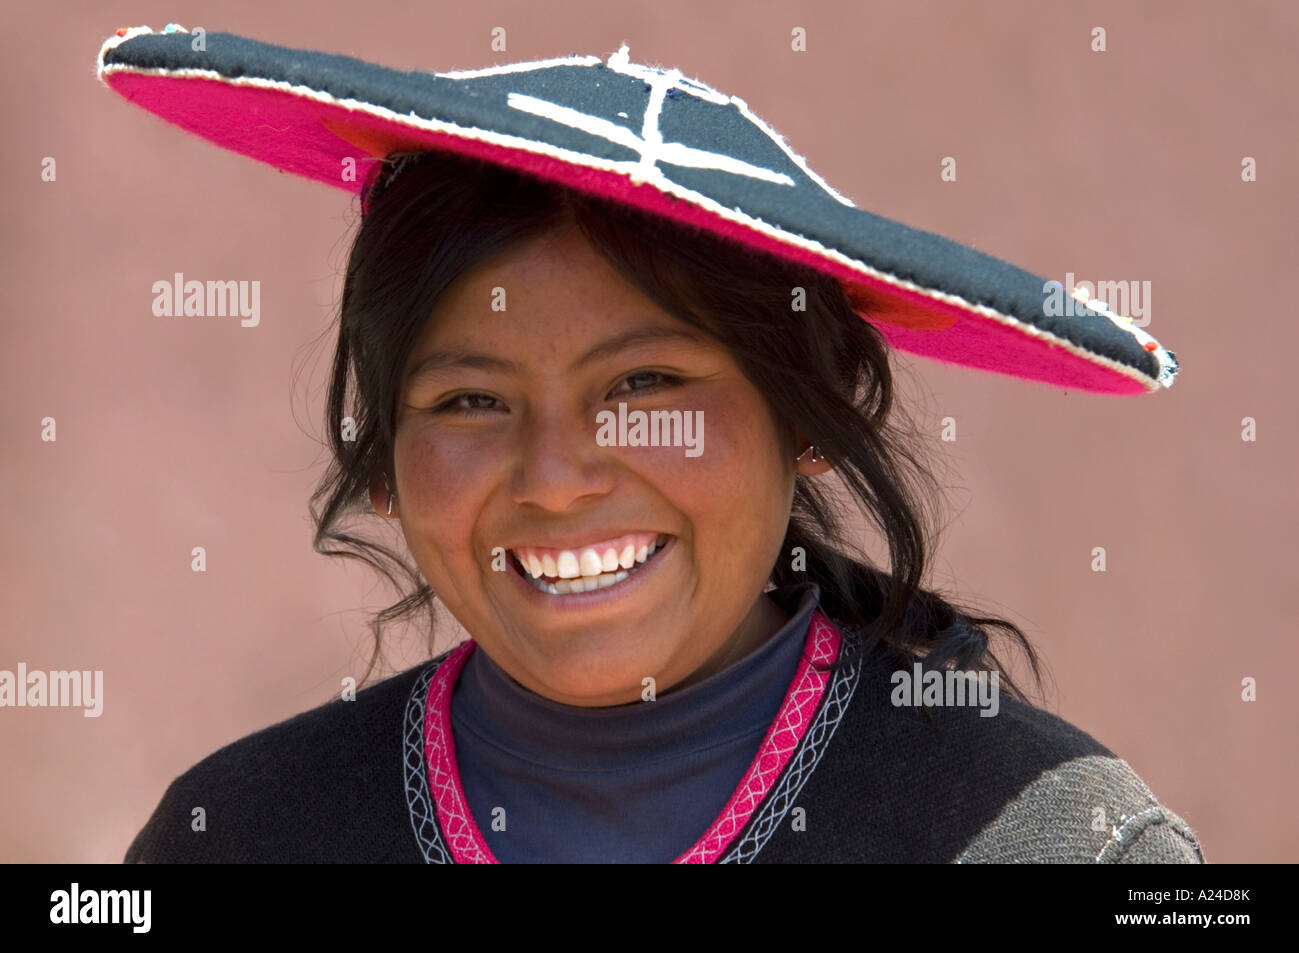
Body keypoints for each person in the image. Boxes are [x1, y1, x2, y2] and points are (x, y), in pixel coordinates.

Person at [100, 26, 1201, 863]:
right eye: (471, 401)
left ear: (809, 411)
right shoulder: (233, 832)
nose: (556, 478)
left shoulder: (1058, 838)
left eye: (645, 385)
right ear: (382, 459)